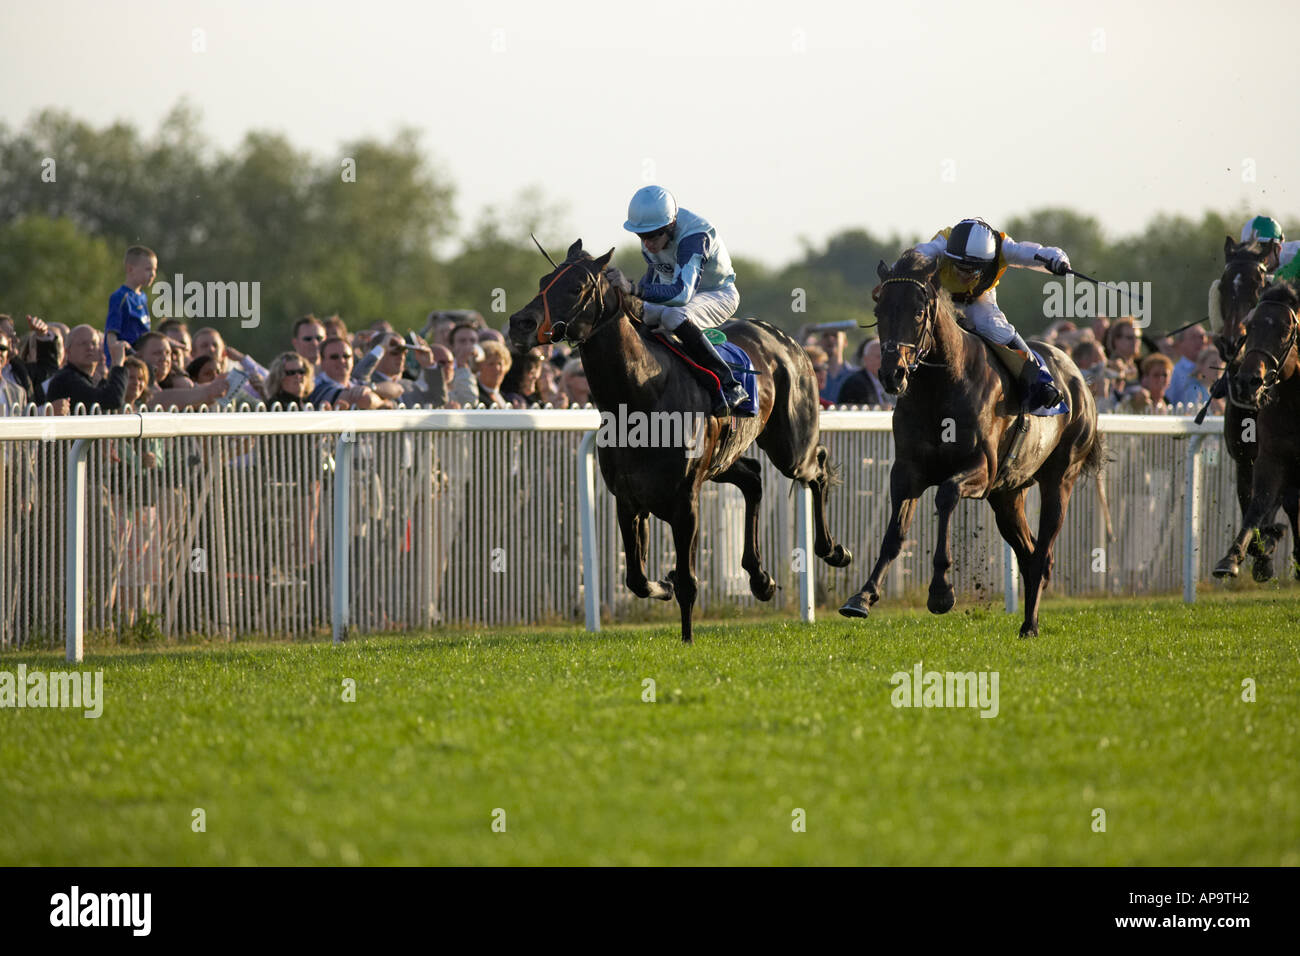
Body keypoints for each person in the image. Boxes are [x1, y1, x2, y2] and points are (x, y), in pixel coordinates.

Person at [607, 185, 751, 416]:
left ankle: (729, 383)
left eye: (653, 236)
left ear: (671, 225)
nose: (648, 243)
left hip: (718, 294)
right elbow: (656, 277)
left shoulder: (694, 236)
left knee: (674, 315)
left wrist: (632, 287)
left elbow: (682, 295)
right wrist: (626, 296)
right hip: (681, 296)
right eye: (642, 236)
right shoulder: (653, 234)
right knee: (638, 312)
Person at [906, 218, 1070, 409]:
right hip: (941, 298)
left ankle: (1041, 383)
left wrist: (1057, 260)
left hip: (978, 299)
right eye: (959, 267)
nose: (964, 276)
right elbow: (918, 254)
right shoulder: (944, 243)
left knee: (998, 330)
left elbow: (1033, 253)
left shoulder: (1003, 247)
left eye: (973, 270)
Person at [46, 325, 131, 412]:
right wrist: (117, 363)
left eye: (94, 343)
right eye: (83, 343)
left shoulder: (94, 379)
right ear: (68, 351)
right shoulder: (64, 379)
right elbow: (111, 400)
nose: (90, 348)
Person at [104, 246, 157, 362]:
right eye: (148, 269)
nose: (153, 274)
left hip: (140, 357)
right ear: (130, 269)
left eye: (155, 270)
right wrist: (113, 360)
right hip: (126, 359)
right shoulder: (120, 297)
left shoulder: (142, 297)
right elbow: (111, 333)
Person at [1164, 324, 1211, 406]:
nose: (1199, 342)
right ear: (1180, 344)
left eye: (1202, 337)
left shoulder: (1214, 369)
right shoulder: (1174, 372)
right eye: (1193, 337)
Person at [837, 339, 890, 407]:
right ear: (866, 359)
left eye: (885, 357)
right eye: (878, 357)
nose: (883, 360)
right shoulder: (854, 384)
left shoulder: (889, 382)